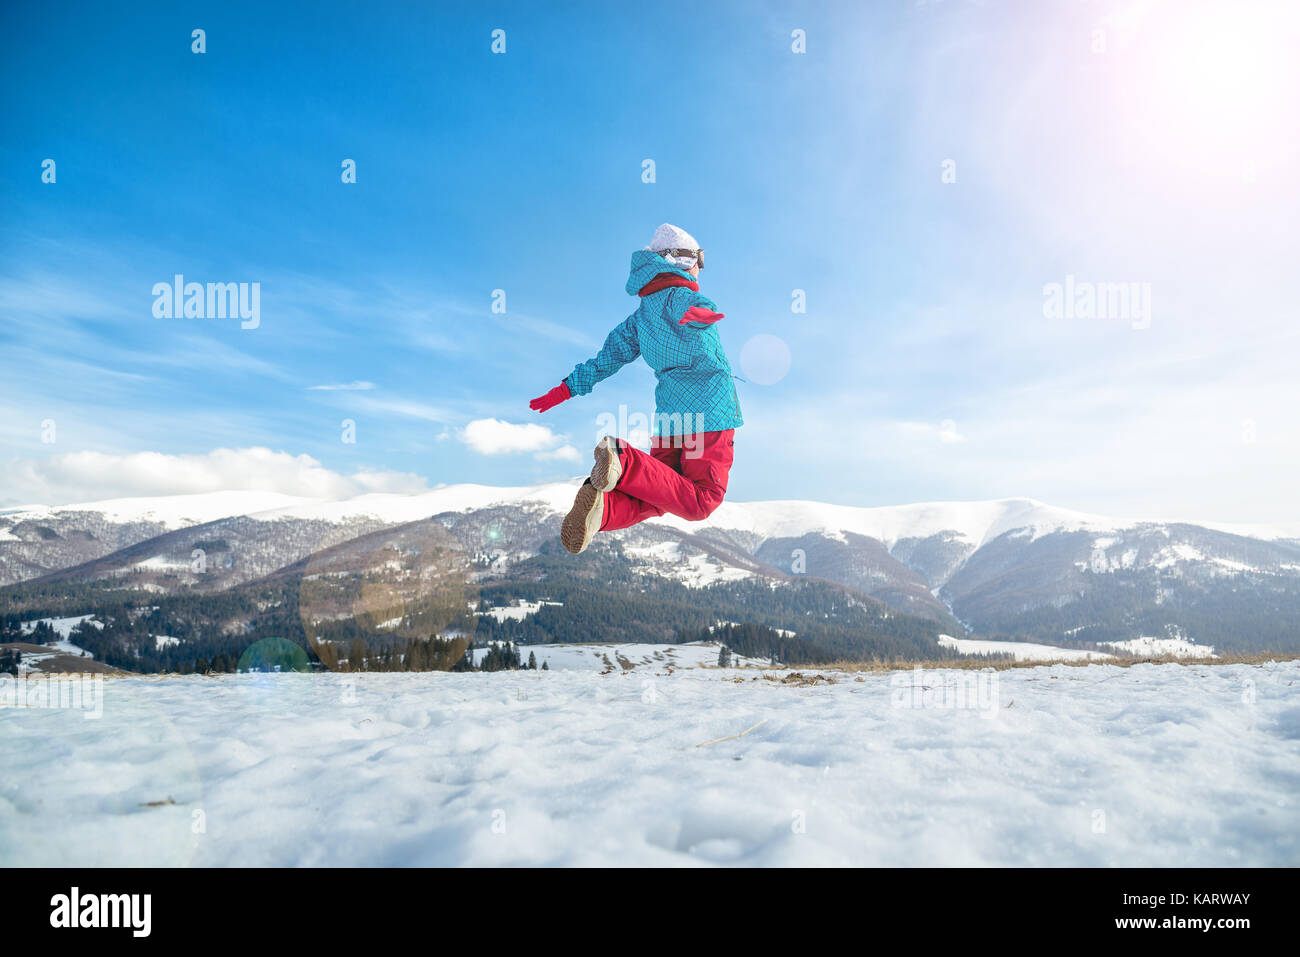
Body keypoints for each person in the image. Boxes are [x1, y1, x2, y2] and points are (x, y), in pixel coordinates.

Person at [529, 223, 743, 554]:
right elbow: (688, 307)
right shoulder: (681, 296)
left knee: (659, 490)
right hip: (709, 412)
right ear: (680, 260)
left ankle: (602, 513)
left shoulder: (640, 318)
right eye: (700, 257)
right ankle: (623, 459)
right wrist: (701, 313)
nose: (702, 266)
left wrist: (565, 389)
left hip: (673, 416)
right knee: (702, 500)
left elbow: (606, 359)